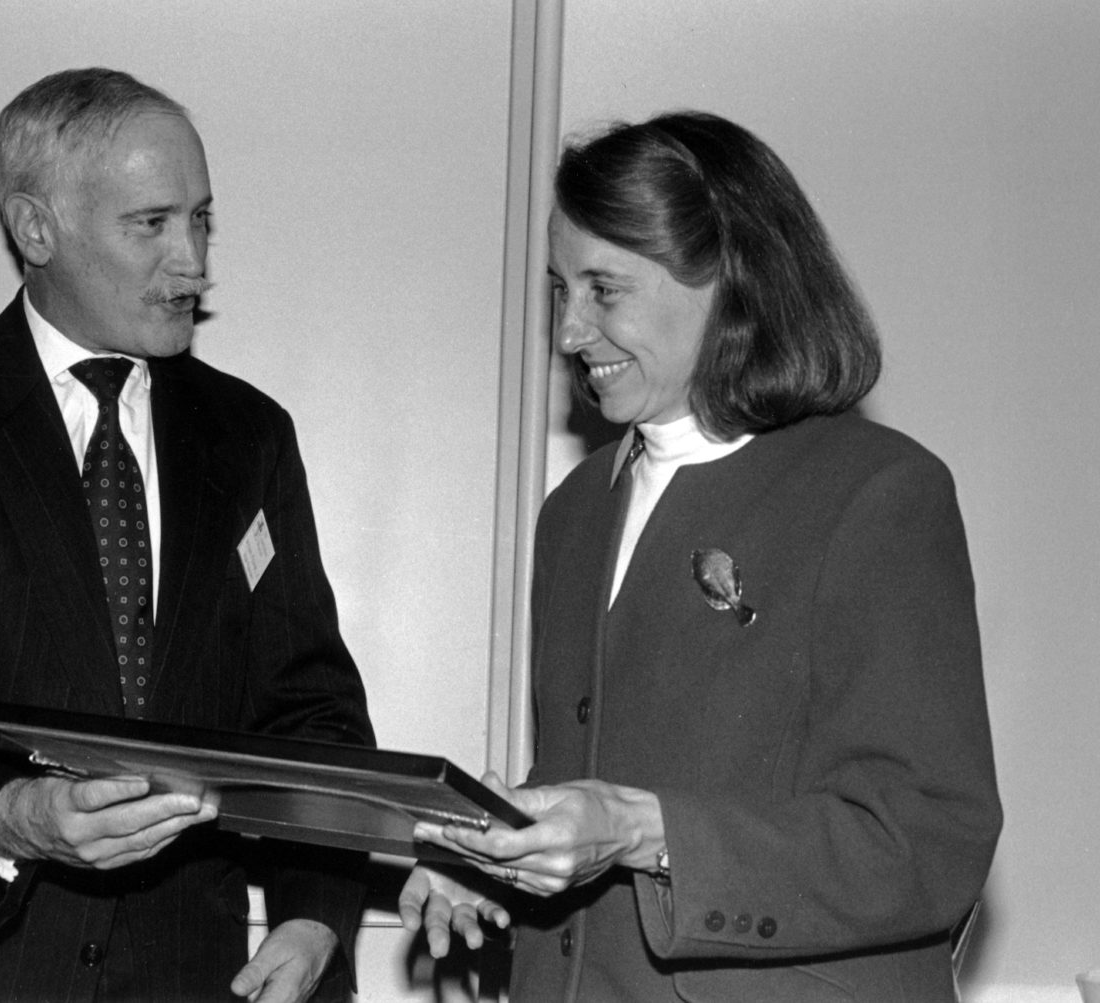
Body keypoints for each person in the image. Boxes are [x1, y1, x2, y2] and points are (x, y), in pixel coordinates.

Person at [0, 67, 374, 1003]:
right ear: (36, 229)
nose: (192, 262)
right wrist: (13, 816)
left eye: (202, 220)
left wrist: (314, 913)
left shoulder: (250, 437)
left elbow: (308, 711)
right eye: (152, 223)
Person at [399, 111, 1002, 1001]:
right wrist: (496, 857)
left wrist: (645, 830)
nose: (569, 333)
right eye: (561, 291)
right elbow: (601, 789)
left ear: (728, 280)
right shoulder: (575, 511)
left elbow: (926, 839)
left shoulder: (879, 493)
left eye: (605, 290)